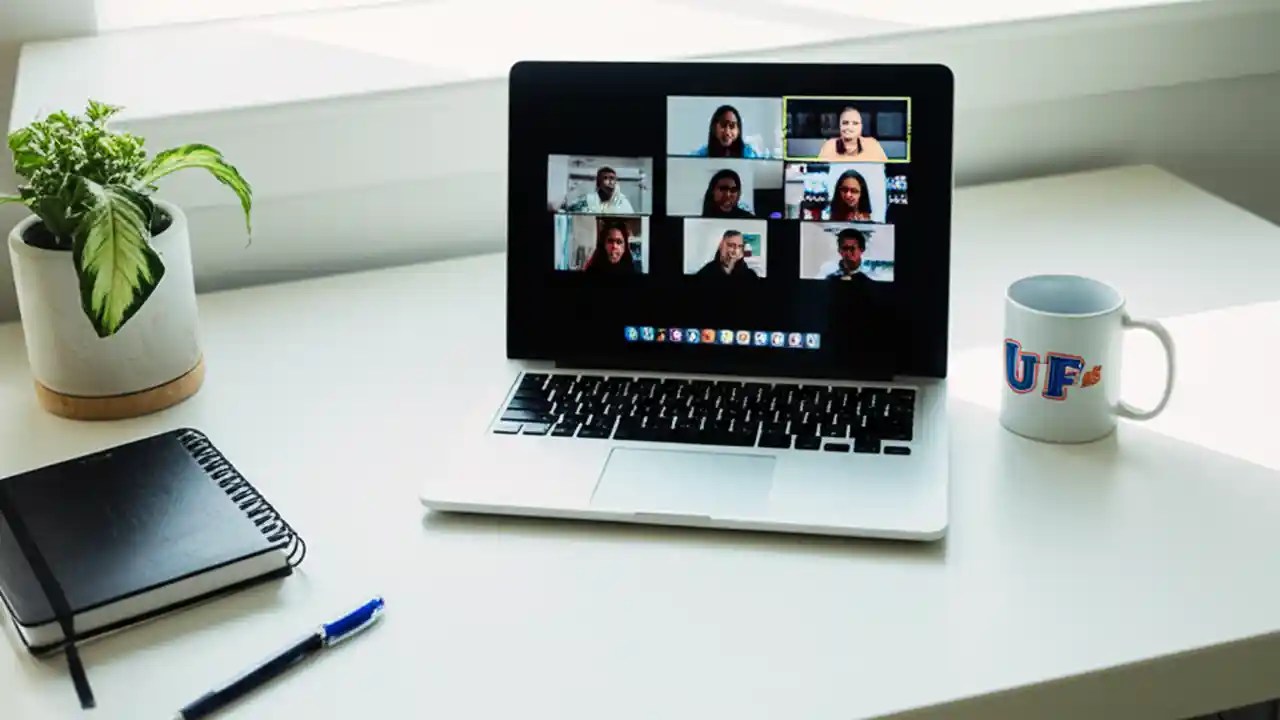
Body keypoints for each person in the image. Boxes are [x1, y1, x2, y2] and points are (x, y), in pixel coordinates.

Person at [817, 107, 888, 162]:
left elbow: (884, 169)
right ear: (839, 126)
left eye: (855, 123)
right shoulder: (829, 146)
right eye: (845, 123)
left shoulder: (872, 145)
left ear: (861, 127)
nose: (849, 128)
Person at [690, 105, 763, 158]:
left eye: (732, 126)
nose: (727, 132)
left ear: (738, 130)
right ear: (714, 128)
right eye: (723, 125)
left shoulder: (749, 155)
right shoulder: (702, 155)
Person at [562, 166, 636, 214]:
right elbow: (567, 212)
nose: (610, 181)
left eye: (612, 178)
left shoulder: (623, 201)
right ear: (598, 182)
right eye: (605, 178)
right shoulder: (586, 200)